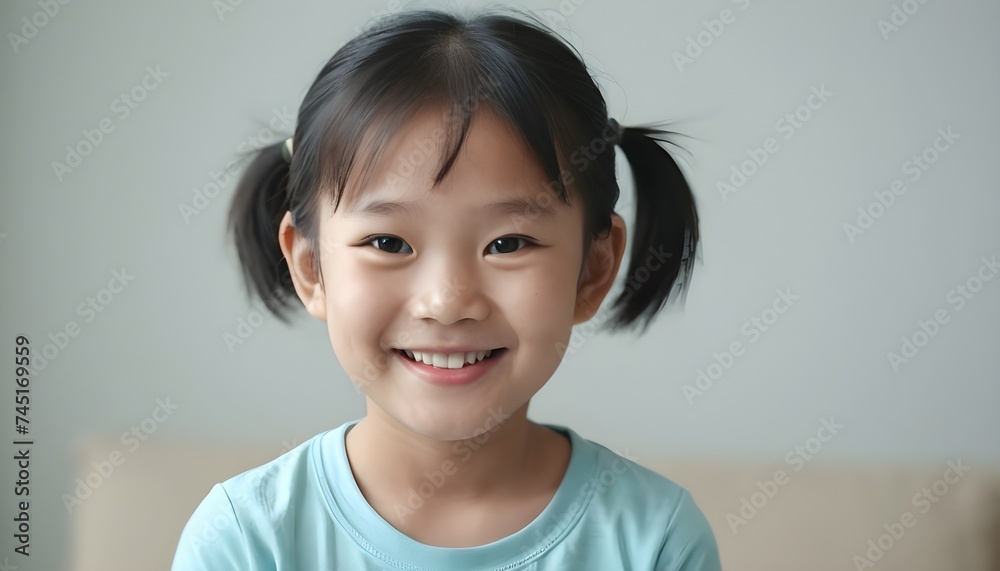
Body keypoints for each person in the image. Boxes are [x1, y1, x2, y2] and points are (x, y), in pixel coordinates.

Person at [171, 6, 721, 570]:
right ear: (312, 268)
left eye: (508, 244)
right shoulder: (246, 538)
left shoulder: (654, 540)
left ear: (593, 269)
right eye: (388, 243)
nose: (447, 301)